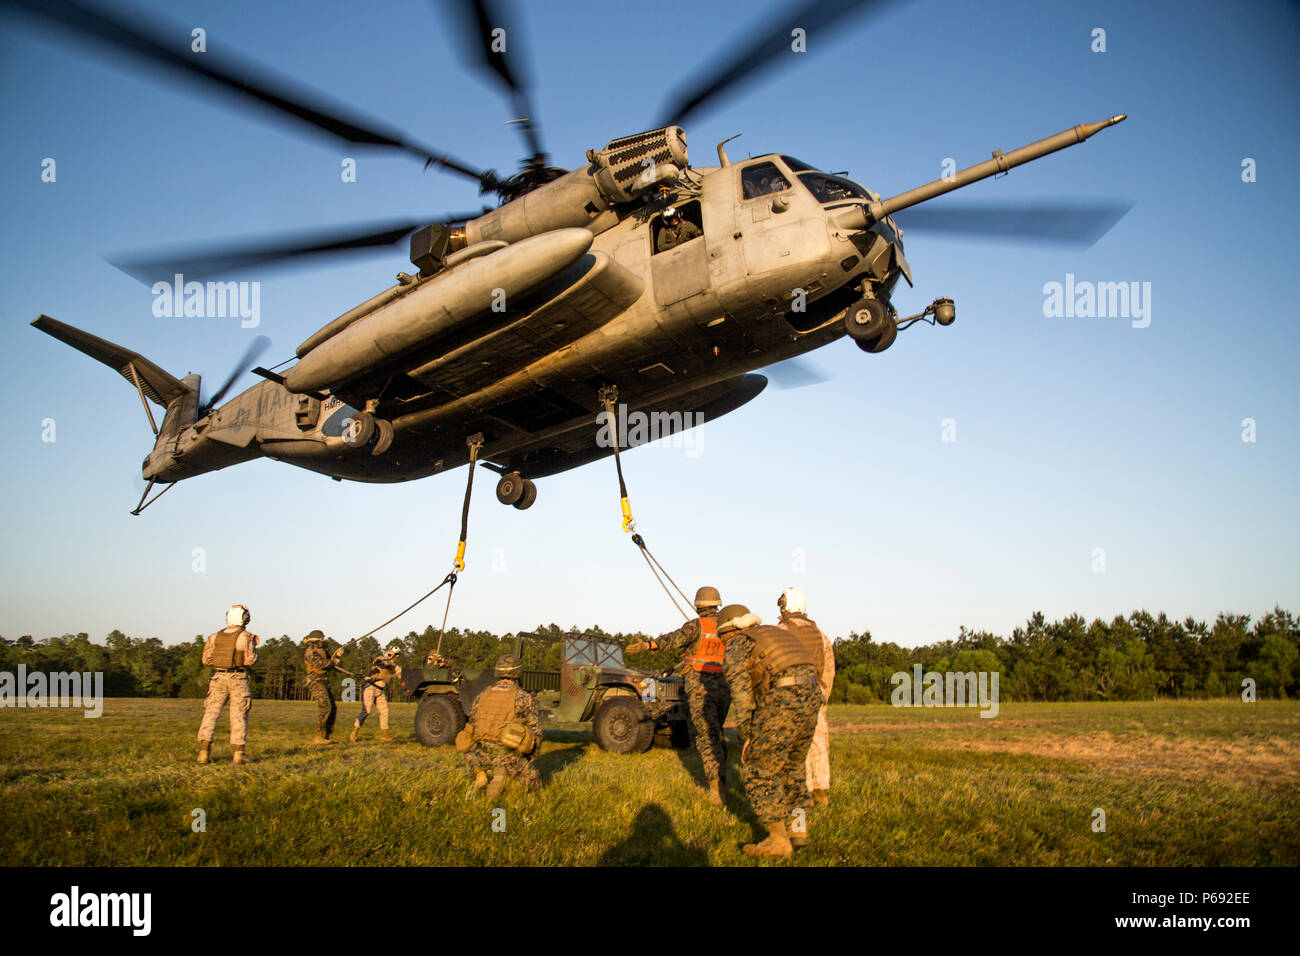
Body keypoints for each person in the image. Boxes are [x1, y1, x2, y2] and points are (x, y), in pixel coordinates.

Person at [719, 603, 820, 859]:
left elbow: (741, 696)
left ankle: (778, 841)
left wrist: (748, 735)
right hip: (811, 696)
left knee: (759, 768)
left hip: (782, 698)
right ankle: (798, 830)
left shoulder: (736, 644)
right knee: (793, 768)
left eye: (721, 638)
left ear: (728, 631)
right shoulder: (774, 633)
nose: (722, 644)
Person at [626, 586, 731, 806]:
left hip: (701, 689)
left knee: (706, 737)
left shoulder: (696, 626)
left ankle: (715, 789)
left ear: (698, 605)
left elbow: (672, 640)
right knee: (718, 734)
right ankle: (724, 781)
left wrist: (647, 645)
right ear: (717, 604)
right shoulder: (726, 626)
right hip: (723, 688)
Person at [776, 587, 835, 805]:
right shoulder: (820, 634)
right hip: (815, 693)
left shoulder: (780, 631)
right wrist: (822, 696)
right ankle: (821, 791)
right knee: (818, 742)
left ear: (786, 606)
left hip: (788, 694)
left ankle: (799, 791)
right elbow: (829, 669)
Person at [458, 654, 542, 799]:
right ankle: (503, 772)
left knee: (470, 749)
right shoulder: (524, 698)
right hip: (507, 755)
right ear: (517, 672)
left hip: (479, 755)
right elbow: (536, 730)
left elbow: (472, 724)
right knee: (535, 783)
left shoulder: (482, 695)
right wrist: (532, 754)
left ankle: (480, 773)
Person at [197, 604, 260, 765]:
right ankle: (239, 754)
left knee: (211, 713)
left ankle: (204, 752)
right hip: (238, 678)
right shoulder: (246, 636)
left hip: (218, 677)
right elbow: (250, 660)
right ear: (243, 618)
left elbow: (206, 660)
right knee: (239, 714)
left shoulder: (214, 637)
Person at [351, 645, 402, 743]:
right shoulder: (381, 660)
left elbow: (401, 674)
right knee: (366, 711)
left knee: (384, 711)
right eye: (396, 654)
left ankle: (385, 736)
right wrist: (388, 658)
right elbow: (378, 661)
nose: (397, 656)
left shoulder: (395, 667)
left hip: (380, 691)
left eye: (398, 654)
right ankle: (354, 733)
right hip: (371, 687)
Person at [303, 631, 344, 745]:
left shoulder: (323, 651)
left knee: (333, 708)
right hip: (315, 681)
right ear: (316, 641)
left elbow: (331, 663)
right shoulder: (310, 652)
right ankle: (318, 736)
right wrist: (334, 660)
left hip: (324, 680)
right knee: (326, 707)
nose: (323, 642)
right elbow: (322, 664)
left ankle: (328, 736)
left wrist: (338, 656)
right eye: (321, 640)